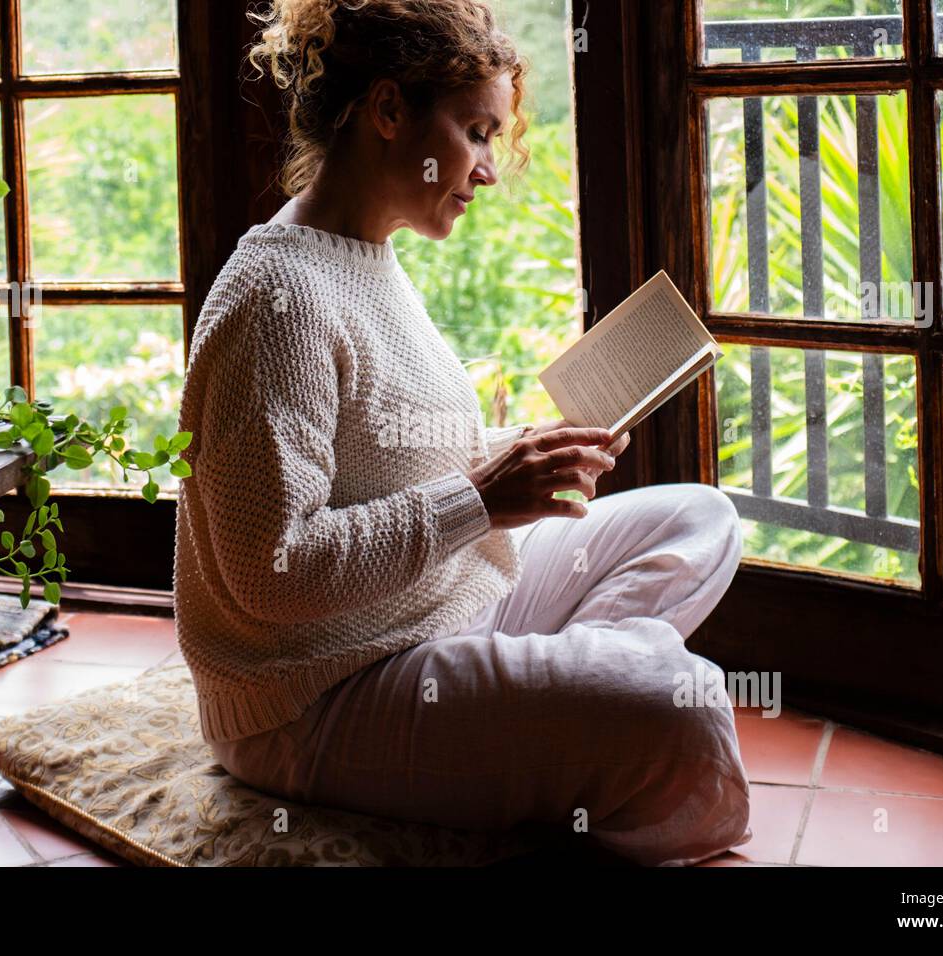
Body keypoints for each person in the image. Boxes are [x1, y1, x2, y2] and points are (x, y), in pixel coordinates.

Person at [172, 0, 752, 865]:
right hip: (316, 693)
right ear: (388, 111)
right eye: (477, 132)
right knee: (684, 705)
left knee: (702, 518)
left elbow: (386, 455)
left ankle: (563, 704)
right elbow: (272, 571)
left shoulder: (368, 255)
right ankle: (582, 702)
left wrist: (522, 455)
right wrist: (482, 498)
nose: (486, 170)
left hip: (441, 606)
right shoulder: (278, 299)